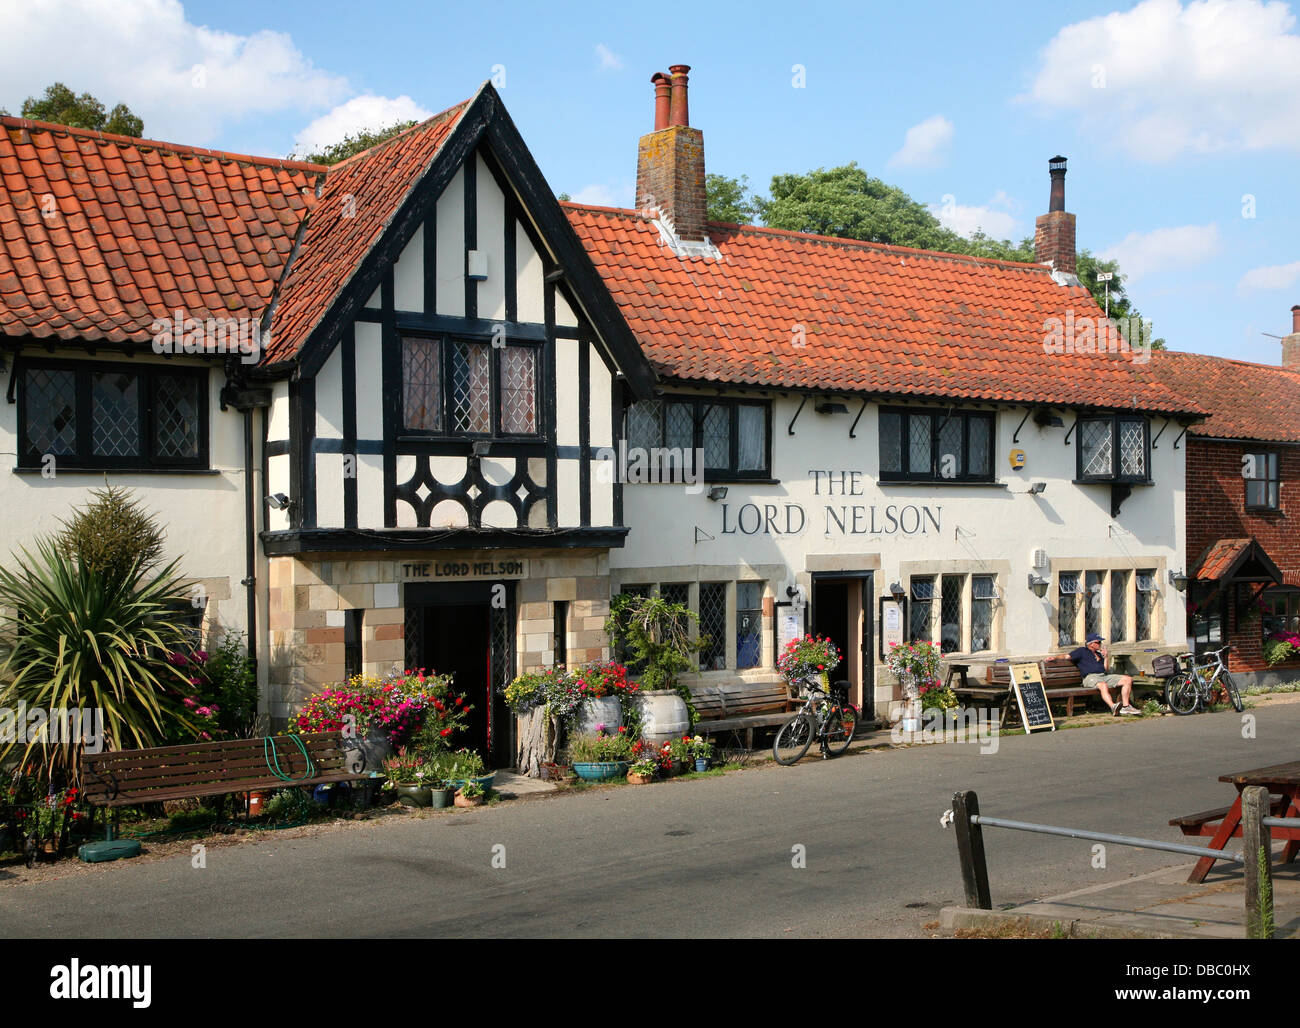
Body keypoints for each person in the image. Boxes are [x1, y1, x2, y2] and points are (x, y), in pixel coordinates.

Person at [1069, 632, 1139, 715]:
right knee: (1103, 685)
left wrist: (1106, 658)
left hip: (1103, 676)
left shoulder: (1099, 654)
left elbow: (1105, 670)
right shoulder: (1082, 651)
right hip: (1090, 677)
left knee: (1128, 679)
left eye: (1100, 642)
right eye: (1098, 642)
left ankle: (1125, 707)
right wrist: (1054, 658)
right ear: (1091, 644)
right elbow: (1067, 656)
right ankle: (1113, 706)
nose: (1100, 644)